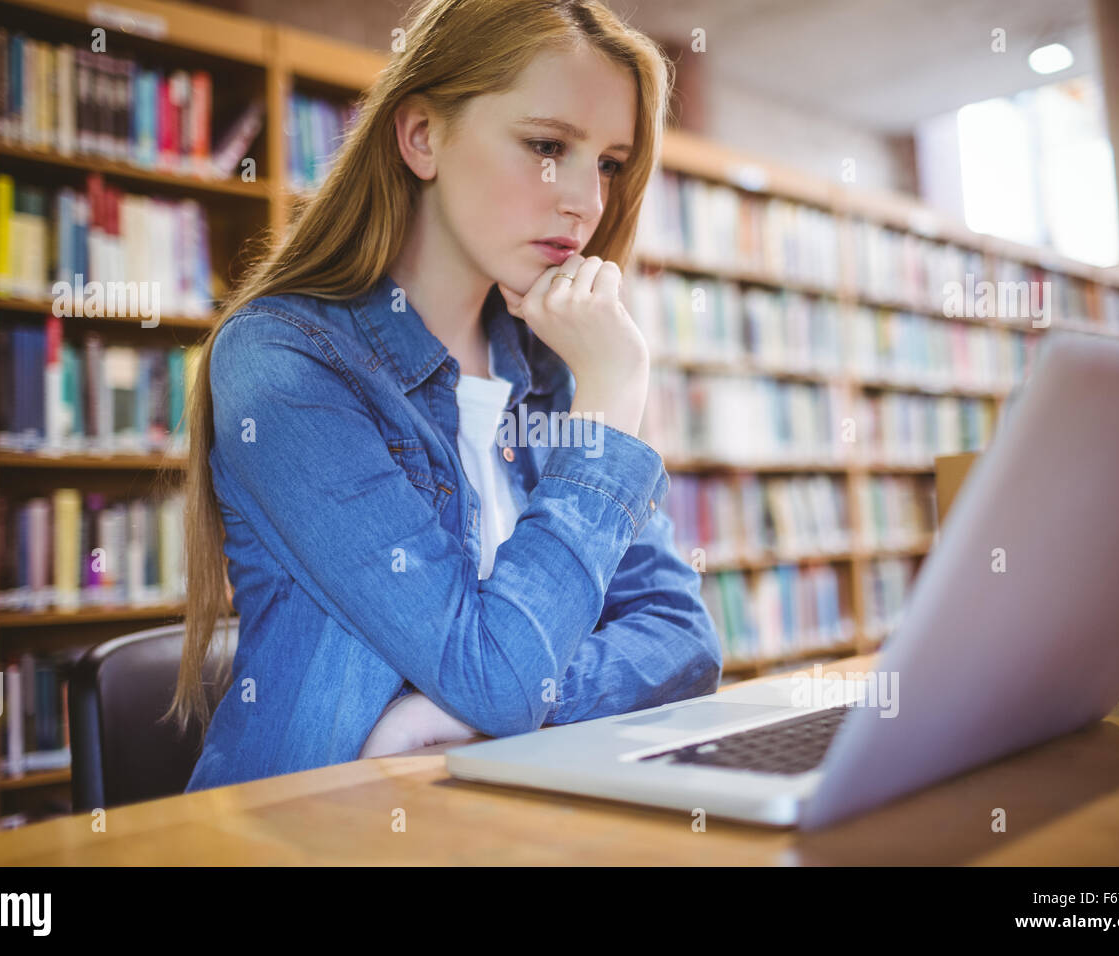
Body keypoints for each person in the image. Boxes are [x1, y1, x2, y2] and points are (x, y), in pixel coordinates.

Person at [169, 0, 723, 792]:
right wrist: (612, 393)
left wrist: (457, 718)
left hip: (496, 813)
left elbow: (683, 637)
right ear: (421, 136)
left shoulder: (550, 367)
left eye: (607, 162)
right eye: (546, 145)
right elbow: (497, 672)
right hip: (312, 831)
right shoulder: (283, 360)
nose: (586, 202)